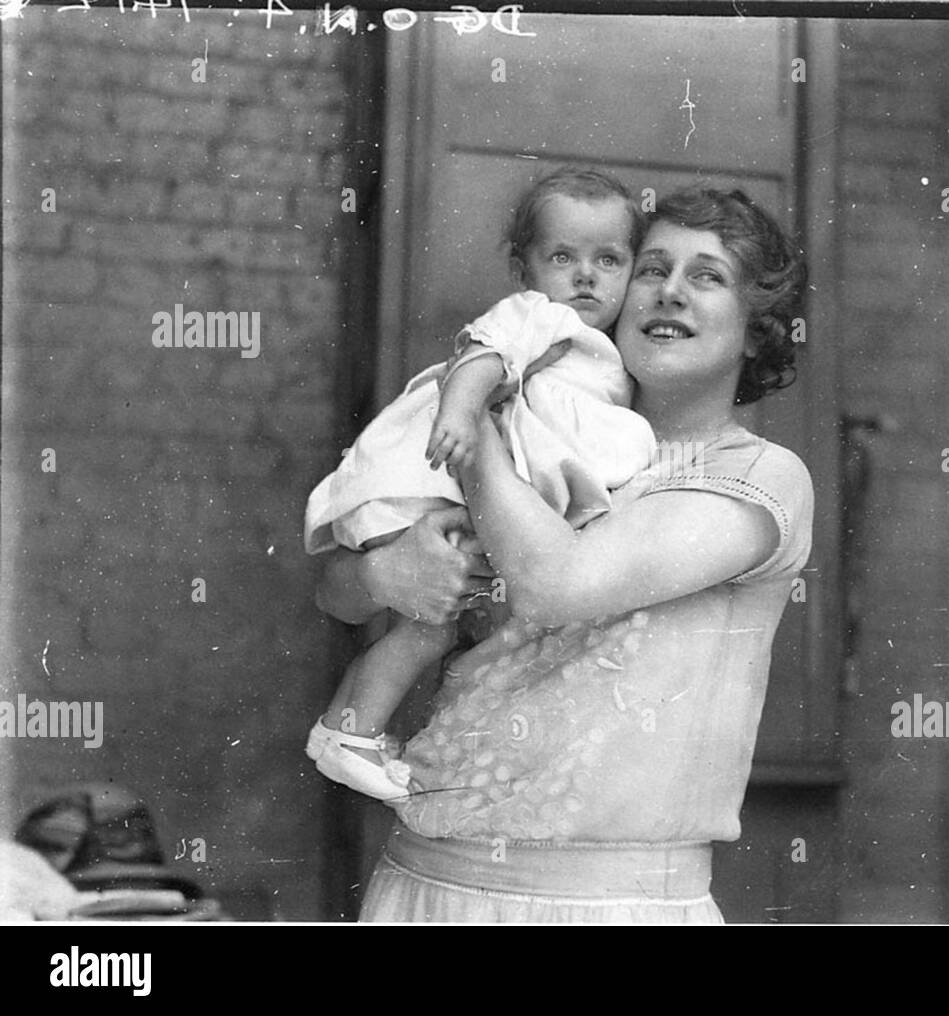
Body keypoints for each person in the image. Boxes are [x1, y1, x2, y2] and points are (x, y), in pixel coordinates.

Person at [316, 187, 813, 923]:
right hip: (422, 885)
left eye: (706, 276)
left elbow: (555, 584)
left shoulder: (758, 477)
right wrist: (383, 572)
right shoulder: (548, 440)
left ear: (754, 328)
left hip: (609, 905)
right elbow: (335, 590)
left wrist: (476, 407)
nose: (669, 291)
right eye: (651, 268)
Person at [302, 168, 657, 800]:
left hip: (493, 497)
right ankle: (347, 730)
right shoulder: (540, 316)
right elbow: (484, 353)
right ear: (524, 273)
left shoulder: (605, 350)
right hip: (445, 477)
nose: (586, 276)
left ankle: (349, 727)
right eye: (561, 257)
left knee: (433, 624)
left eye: (609, 259)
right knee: (431, 622)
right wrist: (461, 413)